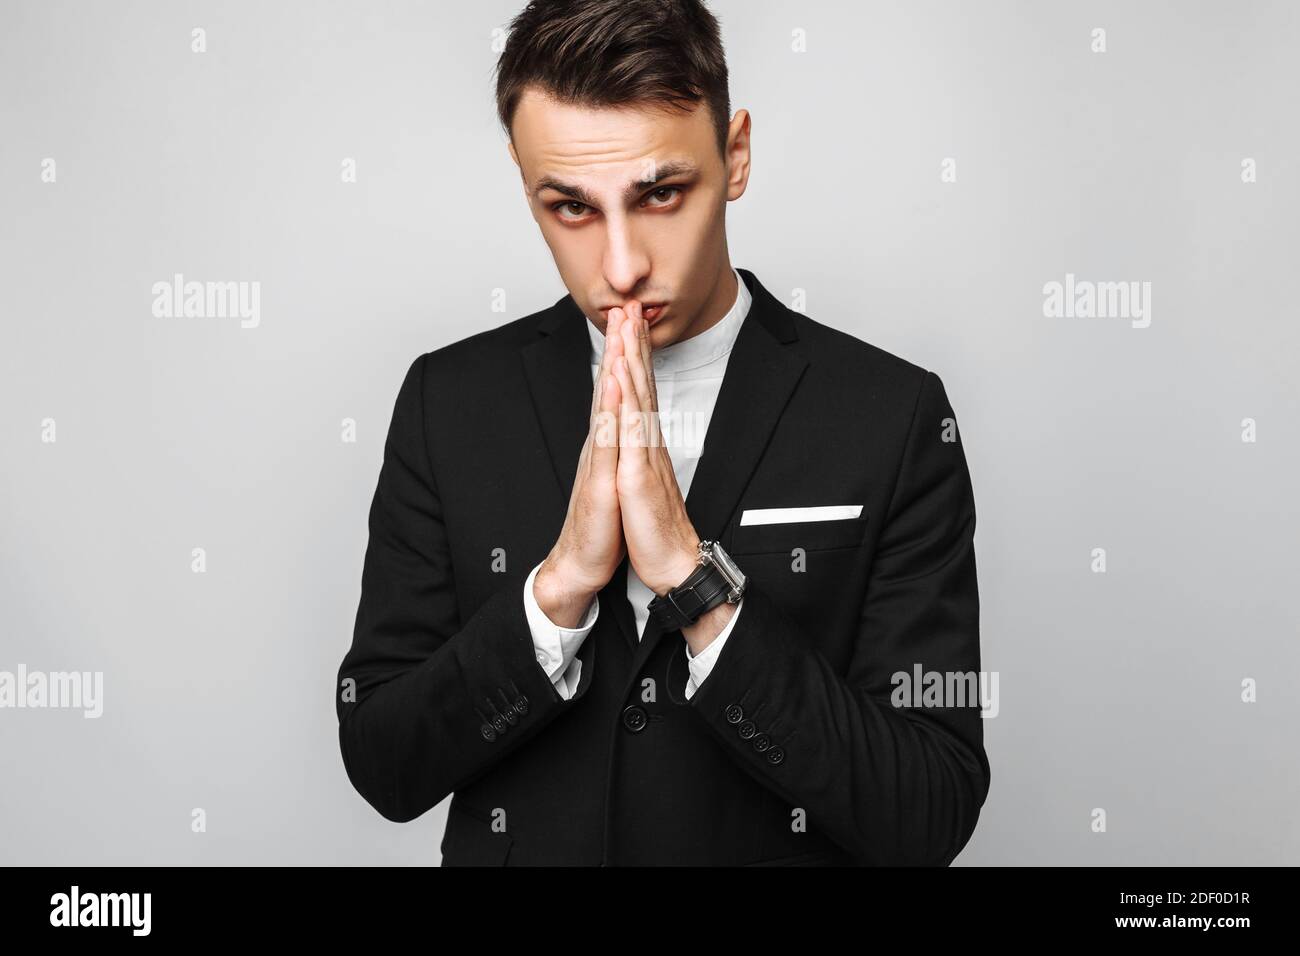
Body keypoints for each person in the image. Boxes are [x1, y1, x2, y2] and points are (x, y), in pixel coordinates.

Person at [335, 0, 990, 866]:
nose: (620, 267)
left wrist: (696, 584)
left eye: (662, 194)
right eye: (570, 207)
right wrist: (558, 589)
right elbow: (384, 761)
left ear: (737, 154)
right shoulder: (445, 402)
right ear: (524, 181)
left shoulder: (894, 416)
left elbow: (929, 811)